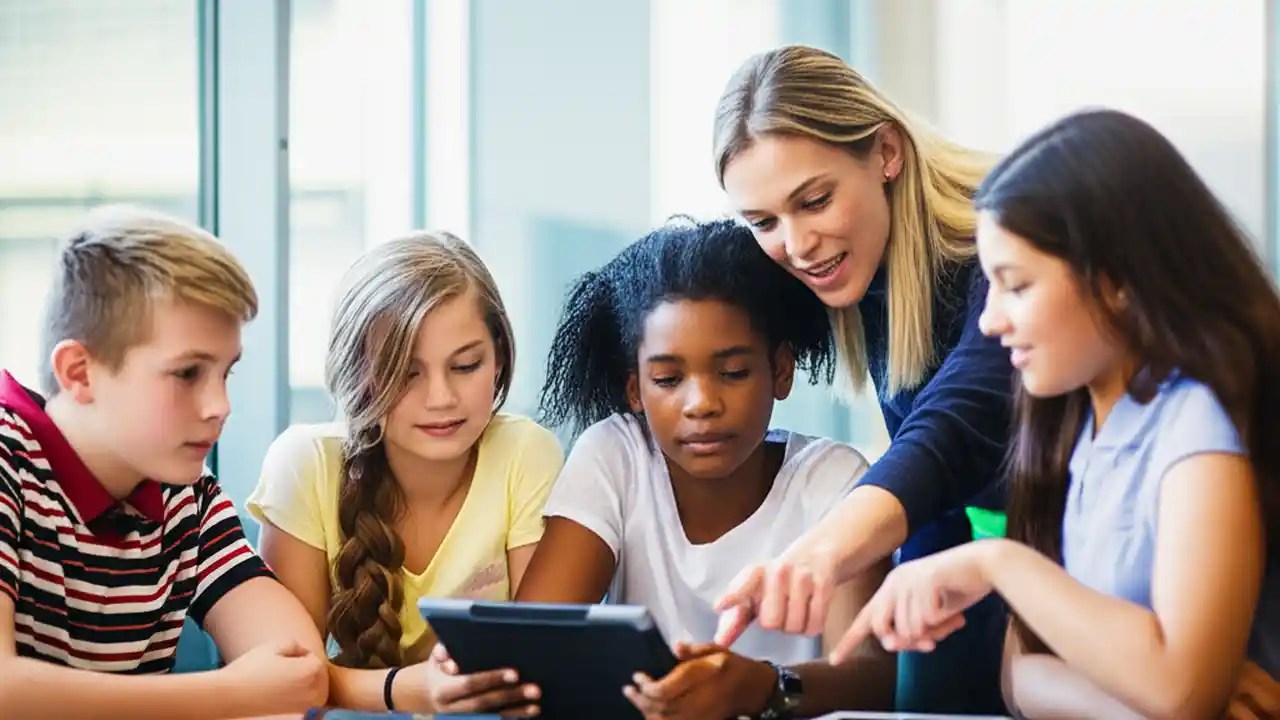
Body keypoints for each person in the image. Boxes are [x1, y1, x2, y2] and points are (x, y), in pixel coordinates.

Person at [838, 109, 1280, 719]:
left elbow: (1179, 687)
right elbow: (1021, 676)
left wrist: (997, 562)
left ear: (1119, 281)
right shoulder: (1068, 422)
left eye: (1015, 286)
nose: (989, 321)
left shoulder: (1198, 423)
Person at [711, 45, 1011, 712]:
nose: (797, 245)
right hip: (985, 548)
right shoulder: (870, 277)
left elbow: (958, 424)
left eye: (814, 200)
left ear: (886, 153)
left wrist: (820, 552)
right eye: (763, 222)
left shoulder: (1006, 238)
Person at [516, 218, 895, 720]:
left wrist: (761, 686)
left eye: (734, 373)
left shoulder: (832, 479)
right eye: (668, 379)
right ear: (636, 391)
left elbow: (870, 677)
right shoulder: (616, 456)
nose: (701, 404)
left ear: (780, 371)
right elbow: (532, 646)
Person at [0, 207, 328, 719]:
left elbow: (297, 671)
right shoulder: (7, 461)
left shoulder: (185, 494)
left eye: (226, 372)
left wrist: (256, 690)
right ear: (79, 372)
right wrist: (231, 693)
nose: (220, 405)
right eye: (188, 373)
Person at [248, 233, 562, 716]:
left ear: (499, 359)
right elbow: (283, 678)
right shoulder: (305, 464)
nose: (441, 398)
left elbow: (540, 659)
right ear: (357, 372)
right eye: (406, 372)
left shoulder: (525, 453)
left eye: (466, 365)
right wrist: (404, 689)